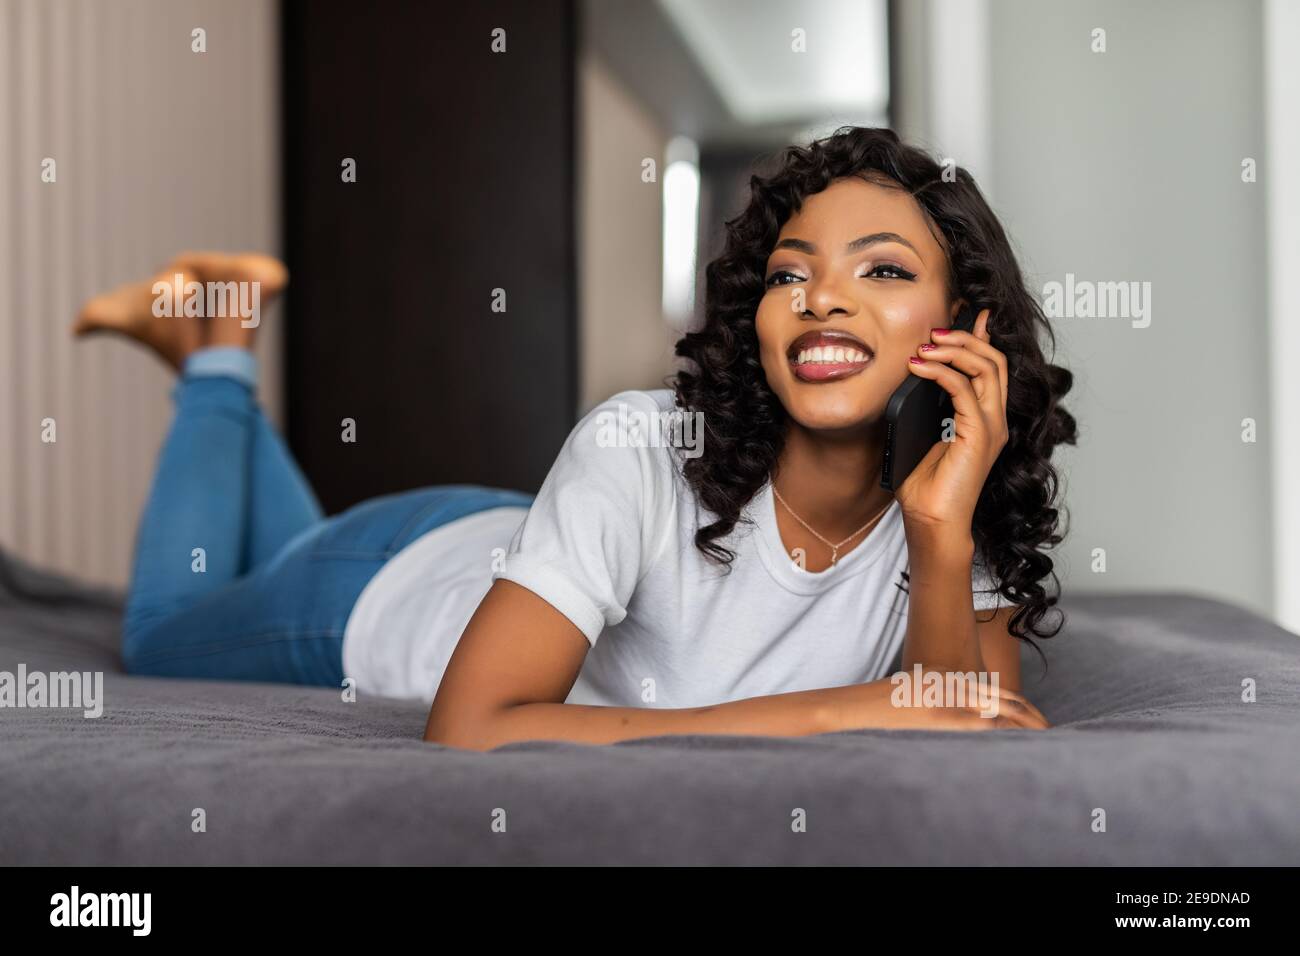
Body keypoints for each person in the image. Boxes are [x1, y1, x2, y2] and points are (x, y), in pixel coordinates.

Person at [79, 127, 1073, 750]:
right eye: (787, 272)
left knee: (276, 549)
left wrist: (938, 535)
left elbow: (960, 734)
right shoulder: (638, 443)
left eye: (883, 271)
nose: (818, 296)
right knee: (162, 632)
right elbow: (471, 725)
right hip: (389, 586)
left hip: (523, 544)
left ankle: (219, 345)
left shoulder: (952, 497)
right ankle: (219, 351)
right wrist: (838, 710)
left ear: (967, 326)